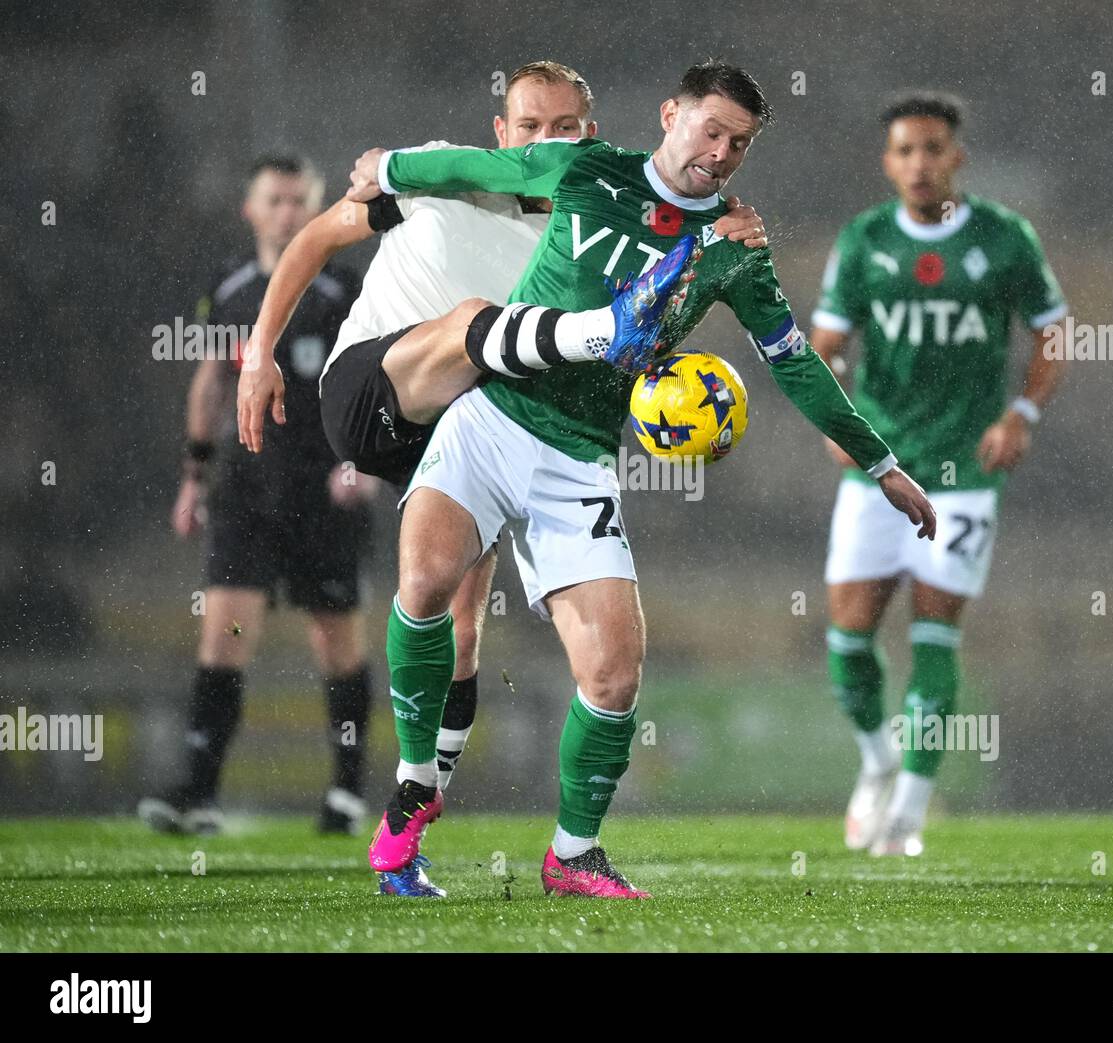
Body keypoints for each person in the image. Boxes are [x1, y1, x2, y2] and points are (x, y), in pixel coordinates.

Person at [344, 60, 936, 898]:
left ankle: (572, 852)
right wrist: (390, 168)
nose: (722, 152)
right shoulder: (590, 168)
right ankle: (413, 784)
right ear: (671, 115)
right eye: (711, 129)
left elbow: (797, 365)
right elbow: (478, 168)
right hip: (491, 415)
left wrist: (881, 463)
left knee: (615, 675)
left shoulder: (735, 252)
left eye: (739, 142)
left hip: (580, 455)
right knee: (424, 584)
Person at [235, 62, 769, 895]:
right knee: (472, 322)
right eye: (530, 125)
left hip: (463, 420)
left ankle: (412, 812)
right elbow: (315, 239)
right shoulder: (446, 174)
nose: (546, 140)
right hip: (376, 388)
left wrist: (708, 248)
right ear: (500, 133)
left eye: (566, 127)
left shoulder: (594, 216)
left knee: (458, 625)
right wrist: (259, 352)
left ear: (588, 135)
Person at [810, 91, 1068, 855]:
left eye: (932, 149)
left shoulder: (1004, 238)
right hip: (879, 471)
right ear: (887, 162)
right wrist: (837, 415)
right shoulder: (862, 242)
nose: (919, 163)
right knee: (847, 641)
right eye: (905, 151)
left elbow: (1055, 329)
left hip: (963, 476)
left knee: (934, 637)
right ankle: (877, 761)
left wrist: (1022, 413)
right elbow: (824, 343)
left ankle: (910, 813)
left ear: (957, 156)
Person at [139, 154, 372, 836]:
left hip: (323, 492)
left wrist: (360, 461)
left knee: (337, 645)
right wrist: (194, 476)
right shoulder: (233, 286)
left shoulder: (342, 288)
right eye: (275, 199)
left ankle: (348, 793)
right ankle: (199, 792)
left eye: (300, 200)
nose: (289, 212)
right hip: (247, 492)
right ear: (251, 208)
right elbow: (211, 382)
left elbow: (368, 378)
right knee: (225, 636)